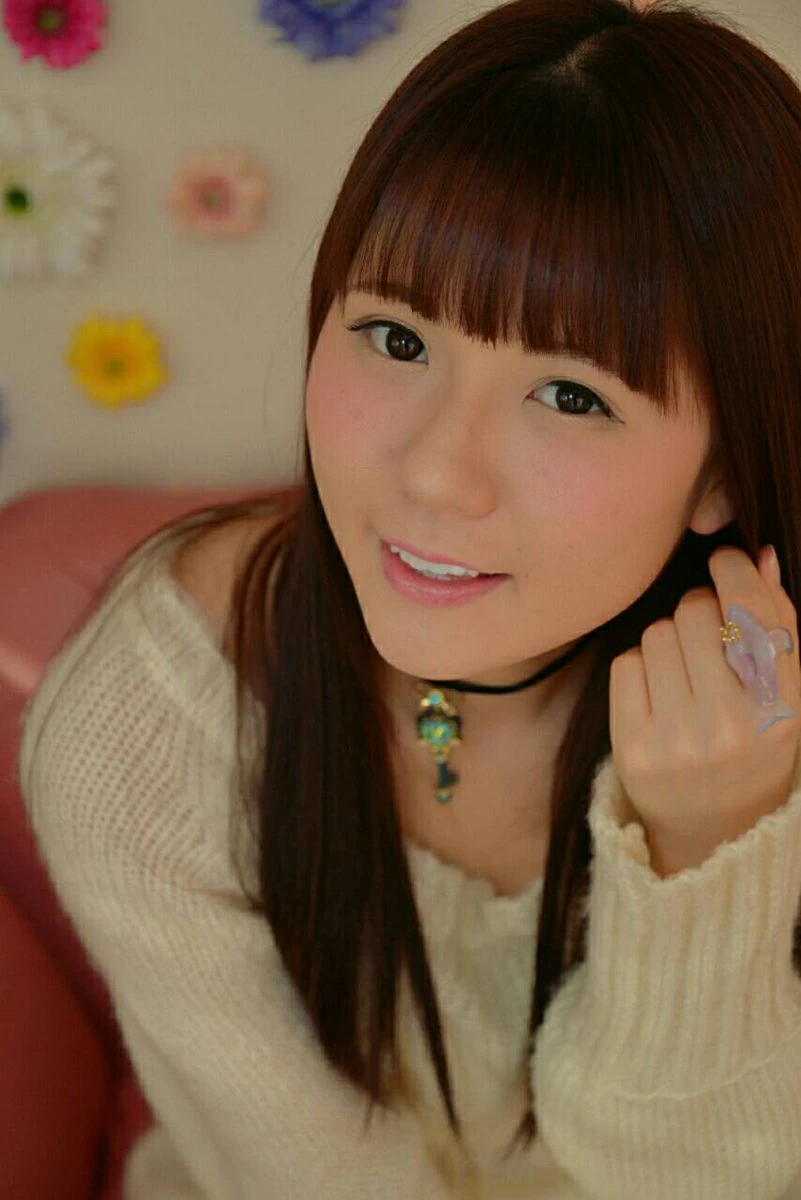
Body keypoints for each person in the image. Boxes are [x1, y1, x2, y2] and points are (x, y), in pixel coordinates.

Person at [17, 0, 801, 1195]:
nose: (436, 472)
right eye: (394, 337)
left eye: (573, 396)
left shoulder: (771, 716)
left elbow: (703, 1180)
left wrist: (707, 848)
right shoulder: (154, 722)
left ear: (726, 473)